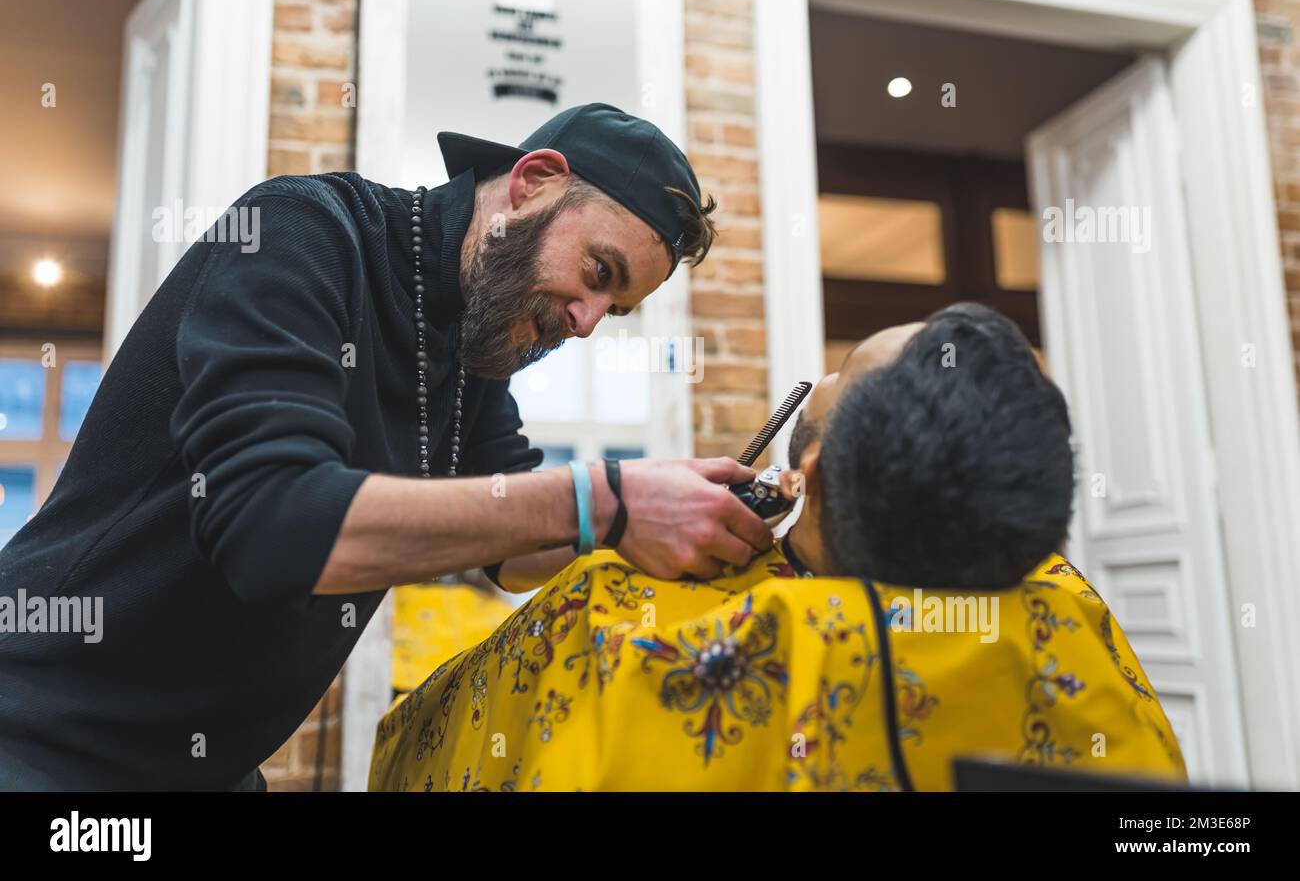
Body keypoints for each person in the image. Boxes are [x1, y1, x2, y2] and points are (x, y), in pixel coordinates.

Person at [0, 104, 771, 790]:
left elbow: (518, 551)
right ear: (533, 181)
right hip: (43, 730)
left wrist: (691, 514)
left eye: (617, 307)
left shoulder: (475, 344)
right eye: (598, 273)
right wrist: (609, 501)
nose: (589, 320)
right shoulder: (299, 232)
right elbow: (272, 527)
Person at [368, 304, 1186, 791]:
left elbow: (423, 748)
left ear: (811, 474)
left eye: (839, 369)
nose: (821, 375)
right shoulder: (1066, 618)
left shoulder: (623, 624)